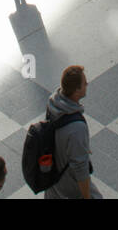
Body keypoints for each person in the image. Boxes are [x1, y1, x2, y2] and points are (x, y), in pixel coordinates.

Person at [43, 66, 102, 200]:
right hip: (68, 182)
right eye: (84, 83)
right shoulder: (76, 128)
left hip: (53, 176)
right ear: (76, 90)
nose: (87, 84)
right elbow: (80, 168)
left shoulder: (53, 103)